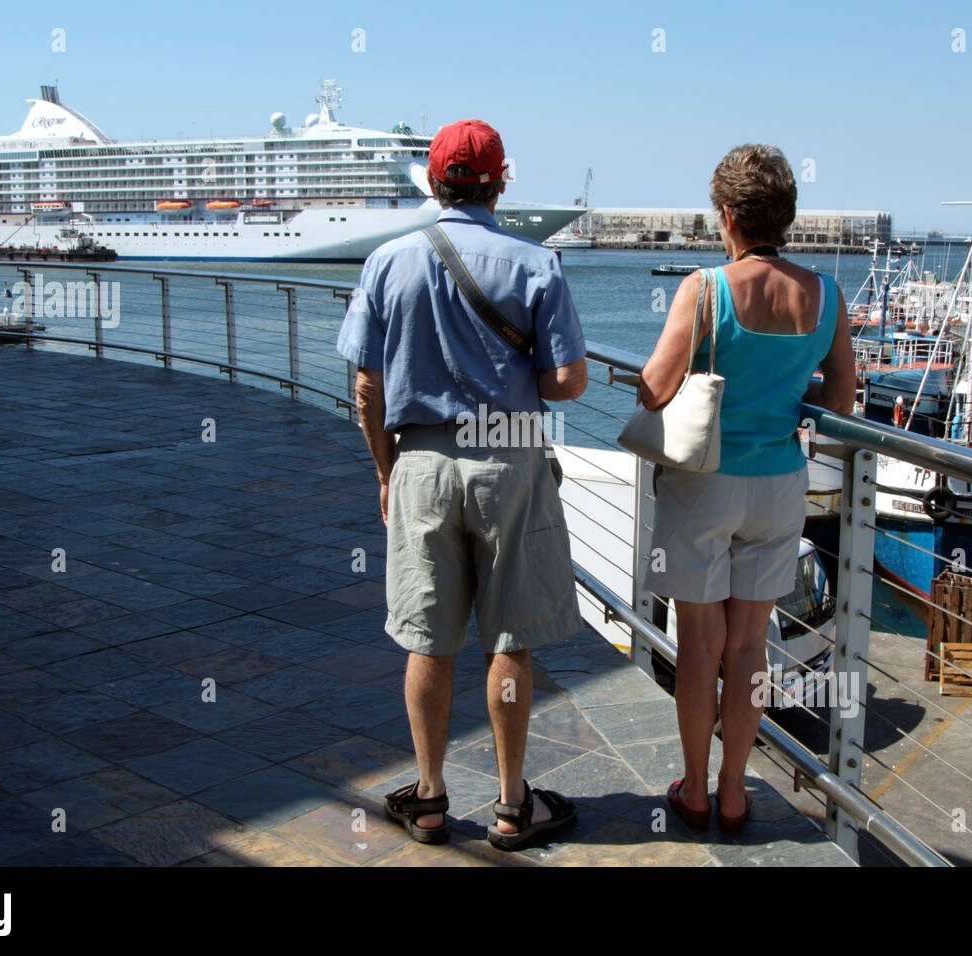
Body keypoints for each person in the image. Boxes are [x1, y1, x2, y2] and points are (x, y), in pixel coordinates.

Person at [336, 119, 589, 851]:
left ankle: (430, 800)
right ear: (501, 182)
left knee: (428, 640)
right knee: (509, 640)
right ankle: (513, 807)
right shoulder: (537, 264)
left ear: (432, 182)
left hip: (419, 460)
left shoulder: (387, 261)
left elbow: (365, 387)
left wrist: (388, 473)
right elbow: (568, 379)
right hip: (508, 455)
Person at [638, 144, 854, 832]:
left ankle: (695, 790)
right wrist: (787, 382)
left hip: (706, 483)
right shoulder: (825, 294)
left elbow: (655, 386)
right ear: (786, 216)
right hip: (780, 486)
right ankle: (736, 791)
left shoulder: (705, 288)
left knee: (701, 647)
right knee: (751, 647)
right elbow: (843, 398)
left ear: (726, 215)